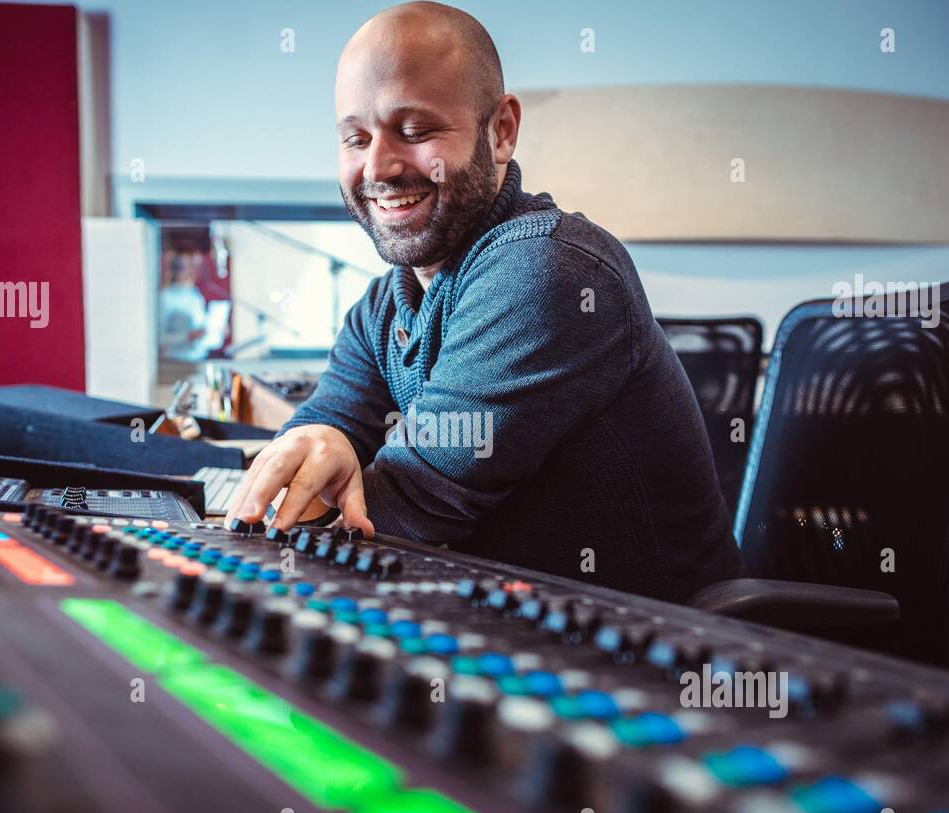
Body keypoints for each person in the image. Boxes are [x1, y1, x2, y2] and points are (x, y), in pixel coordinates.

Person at [228, 1, 742, 601]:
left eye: (415, 132)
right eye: (355, 138)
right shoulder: (382, 307)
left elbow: (411, 505)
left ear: (501, 131)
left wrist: (314, 498)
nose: (380, 166)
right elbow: (321, 437)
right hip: (498, 630)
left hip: (655, 660)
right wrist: (320, 444)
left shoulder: (550, 271)